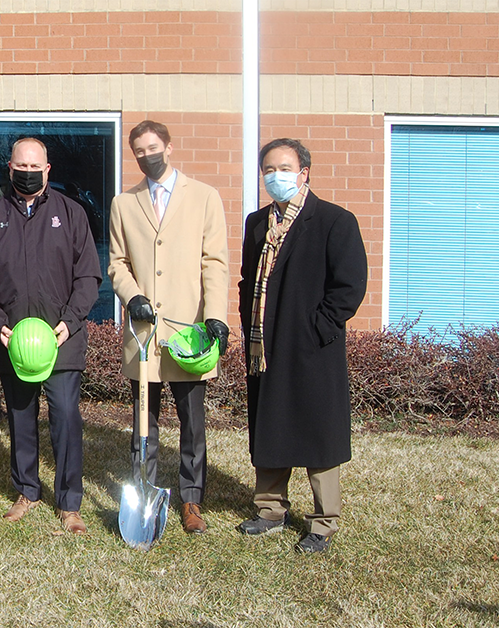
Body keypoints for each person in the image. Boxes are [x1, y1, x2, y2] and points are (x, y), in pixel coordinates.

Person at [237, 138, 367, 553]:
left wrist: (318, 327)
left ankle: (323, 521)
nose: (276, 176)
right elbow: (246, 282)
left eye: (285, 168)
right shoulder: (257, 223)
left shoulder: (334, 221)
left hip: (313, 350)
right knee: (271, 425)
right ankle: (270, 509)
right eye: (269, 170)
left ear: (304, 172)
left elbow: (349, 286)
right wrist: (250, 325)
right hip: (267, 347)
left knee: (318, 432)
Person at [0, 137, 102, 534]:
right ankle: (27, 489)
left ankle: (69, 501)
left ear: (47, 170)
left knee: (65, 416)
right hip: (13, 340)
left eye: (34, 167)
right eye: (20, 167)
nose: (27, 173)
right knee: (20, 417)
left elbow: (88, 276)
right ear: (9, 169)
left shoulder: (71, 214)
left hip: (62, 339)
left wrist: (71, 320)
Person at [106, 120, 229, 534]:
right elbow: (117, 263)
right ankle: (145, 488)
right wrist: (131, 294)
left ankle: (191, 499)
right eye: (139, 151)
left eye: (153, 147)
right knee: (144, 420)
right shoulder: (124, 203)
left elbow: (215, 262)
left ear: (169, 146)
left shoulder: (205, 197)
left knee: (193, 422)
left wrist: (215, 315)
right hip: (144, 335)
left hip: (188, 333)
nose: (146, 156)